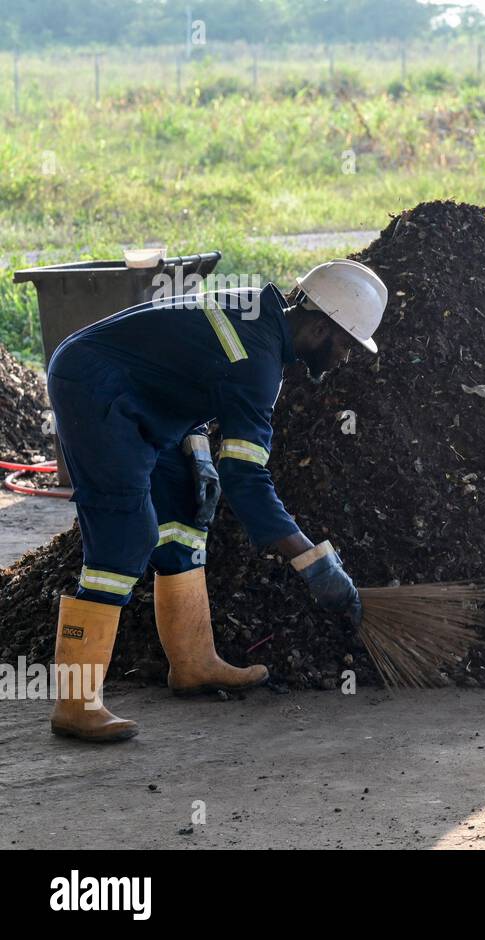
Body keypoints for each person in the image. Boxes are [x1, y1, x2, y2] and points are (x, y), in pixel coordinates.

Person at [45, 259, 388, 741]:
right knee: (125, 539)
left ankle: (193, 664)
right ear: (319, 326)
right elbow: (247, 481)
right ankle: (76, 704)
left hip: (148, 397)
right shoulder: (259, 361)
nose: (345, 359)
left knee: (187, 515)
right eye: (347, 347)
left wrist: (196, 445)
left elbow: (188, 366)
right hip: (96, 387)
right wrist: (313, 562)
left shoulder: (262, 321)